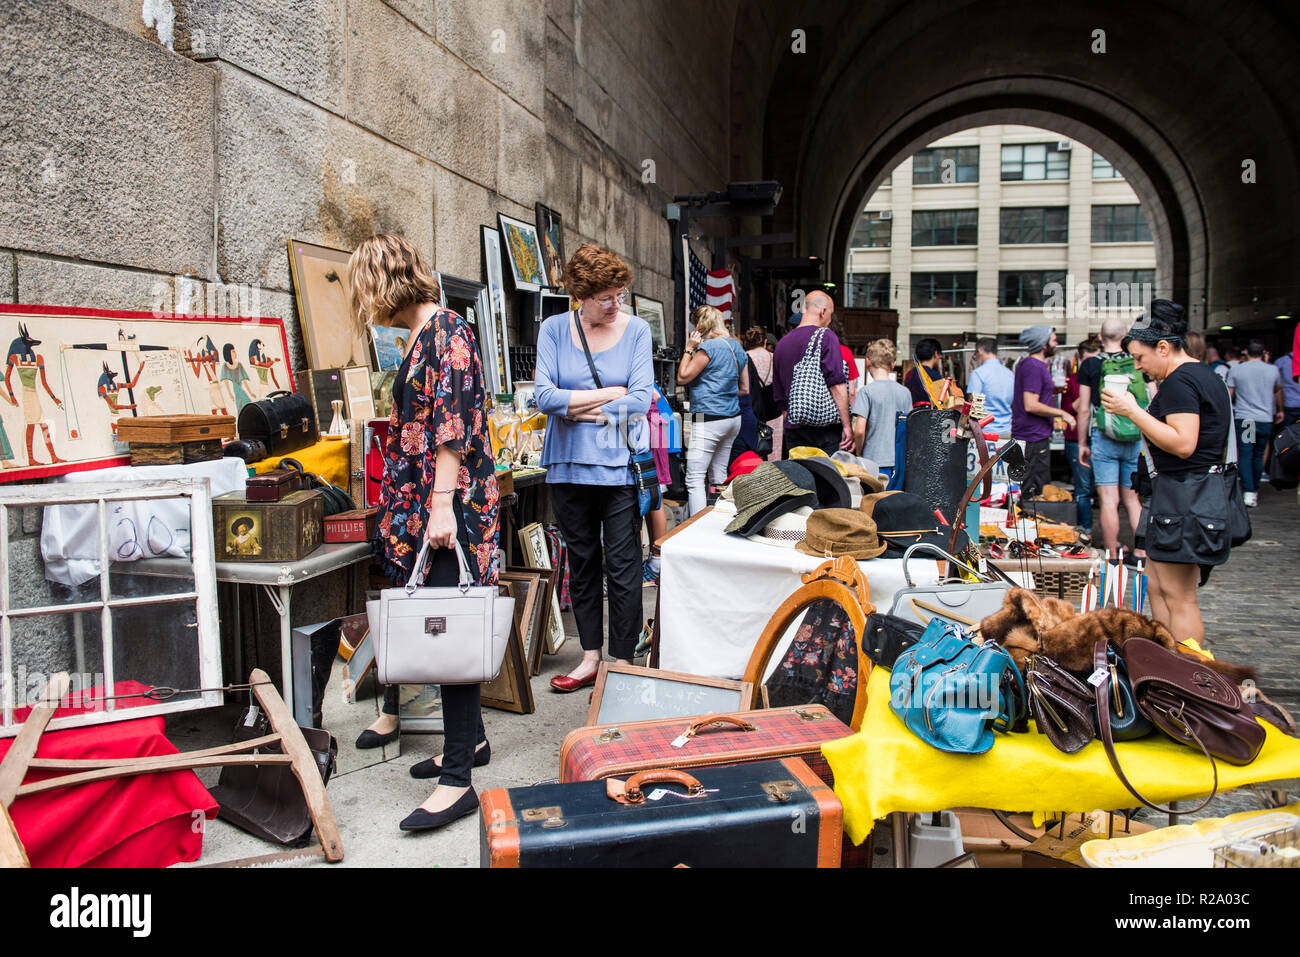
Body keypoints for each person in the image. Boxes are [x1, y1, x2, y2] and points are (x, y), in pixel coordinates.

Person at [348, 233, 500, 833]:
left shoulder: (447, 332)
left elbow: (452, 428)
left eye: (365, 287)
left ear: (383, 283)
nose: (363, 301)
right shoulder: (424, 335)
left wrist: (439, 508)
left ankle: (457, 781)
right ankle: (475, 741)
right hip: (431, 506)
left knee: (449, 632)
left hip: (449, 508)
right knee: (446, 628)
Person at [535, 243, 653, 692]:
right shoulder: (553, 329)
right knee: (581, 562)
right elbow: (543, 396)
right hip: (567, 465)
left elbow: (641, 398)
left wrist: (574, 408)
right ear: (580, 296)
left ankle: (621, 659)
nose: (615, 303)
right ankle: (590, 658)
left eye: (620, 294)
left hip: (619, 465)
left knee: (623, 563)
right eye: (606, 297)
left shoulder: (637, 331)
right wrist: (608, 396)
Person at [1100, 300, 1230, 643]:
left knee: (1178, 597)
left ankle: (1187, 679)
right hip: (1179, 497)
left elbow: (1183, 443)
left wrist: (1132, 411)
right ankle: (1169, 670)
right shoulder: (1201, 375)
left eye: (1140, 358)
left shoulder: (1180, 382)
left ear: (1163, 347)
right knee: (1158, 587)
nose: (1139, 367)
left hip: (1187, 498)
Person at [1077, 319, 1146, 558]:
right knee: (1132, 499)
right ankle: (1140, 552)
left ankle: (1112, 555)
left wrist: (1082, 444)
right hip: (1134, 434)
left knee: (1108, 500)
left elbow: (1084, 409)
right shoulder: (1136, 361)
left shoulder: (1090, 365)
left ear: (1099, 336)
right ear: (1125, 335)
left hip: (1104, 436)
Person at [677, 305, 748, 515]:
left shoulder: (707, 348)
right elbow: (744, 389)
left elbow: (682, 377)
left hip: (708, 419)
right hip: (733, 419)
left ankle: (697, 527)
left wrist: (689, 348)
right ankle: (720, 520)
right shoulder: (736, 347)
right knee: (718, 474)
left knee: (694, 478)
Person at [771, 291, 851, 456]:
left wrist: (795, 417)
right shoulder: (826, 337)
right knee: (826, 478)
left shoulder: (782, 344)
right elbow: (836, 384)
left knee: (799, 478)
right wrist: (847, 425)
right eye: (830, 313)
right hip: (824, 430)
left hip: (794, 429)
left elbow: (779, 394)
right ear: (823, 311)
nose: (830, 318)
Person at [1012, 324, 1074, 499]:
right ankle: (1033, 524)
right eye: (1053, 340)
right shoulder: (1034, 366)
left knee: (1033, 488)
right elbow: (1030, 405)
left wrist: (1052, 391)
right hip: (1034, 438)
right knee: (1035, 493)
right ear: (1044, 344)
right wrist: (1062, 413)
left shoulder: (1030, 364)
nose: (1056, 343)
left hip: (1032, 436)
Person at [1227, 339, 1284, 506]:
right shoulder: (1273, 370)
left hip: (1247, 420)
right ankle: (1255, 487)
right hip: (1265, 419)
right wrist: (1280, 410)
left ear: (1246, 352)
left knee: (1246, 454)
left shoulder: (1237, 369)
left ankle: (1249, 491)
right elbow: (1277, 391)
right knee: (1259, 455)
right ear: (1264, 352)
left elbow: (1229, 395)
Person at [850, 339, 913, 481]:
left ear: (868, 362)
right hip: (898, 460)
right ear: (893, 365)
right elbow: (910, 427)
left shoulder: (866, 392)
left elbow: (859, 430)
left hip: (872, 459)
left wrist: (859, 453)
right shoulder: (904, 392)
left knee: (873, 501)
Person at [1064, 336, 1100, 538]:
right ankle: (1086, 531)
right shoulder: (1074, 379)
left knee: (1104, 491)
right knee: (1083, 489)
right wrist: (1087, 393)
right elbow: (1068, 409)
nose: (1093, 364)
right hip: (1075, 438)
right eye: (1088, 360)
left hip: (1101, 438)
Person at [744, 326, 782, 460]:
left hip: (753, 410)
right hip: (773, 411)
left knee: (752, 451)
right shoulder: (775, 358)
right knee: (773, 451)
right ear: (765, 342)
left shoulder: (745, 358)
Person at [966, 337, 1015, 437]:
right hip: (1007, 431)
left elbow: (973, 405)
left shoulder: (978, 374)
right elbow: (1014, 403)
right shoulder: (1010, 374)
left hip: (985, 433)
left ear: (980, 351)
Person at [829, 314, 860, 407]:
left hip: (814, 411)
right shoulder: (845, 352)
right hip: (839, 410)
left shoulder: (811, 350)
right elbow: (851, 391)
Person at [904, 337, 943, 407]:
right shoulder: (935, 376)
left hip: (912, 415)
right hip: (930, 415)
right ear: (936, 353)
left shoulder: (909, 374)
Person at [1276, 347, 1300, 426]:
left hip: (1289, 404)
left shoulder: (1281, 362)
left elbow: (1277, 385)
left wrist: (1280, 409)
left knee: (1288, 433)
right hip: (1290, 405)